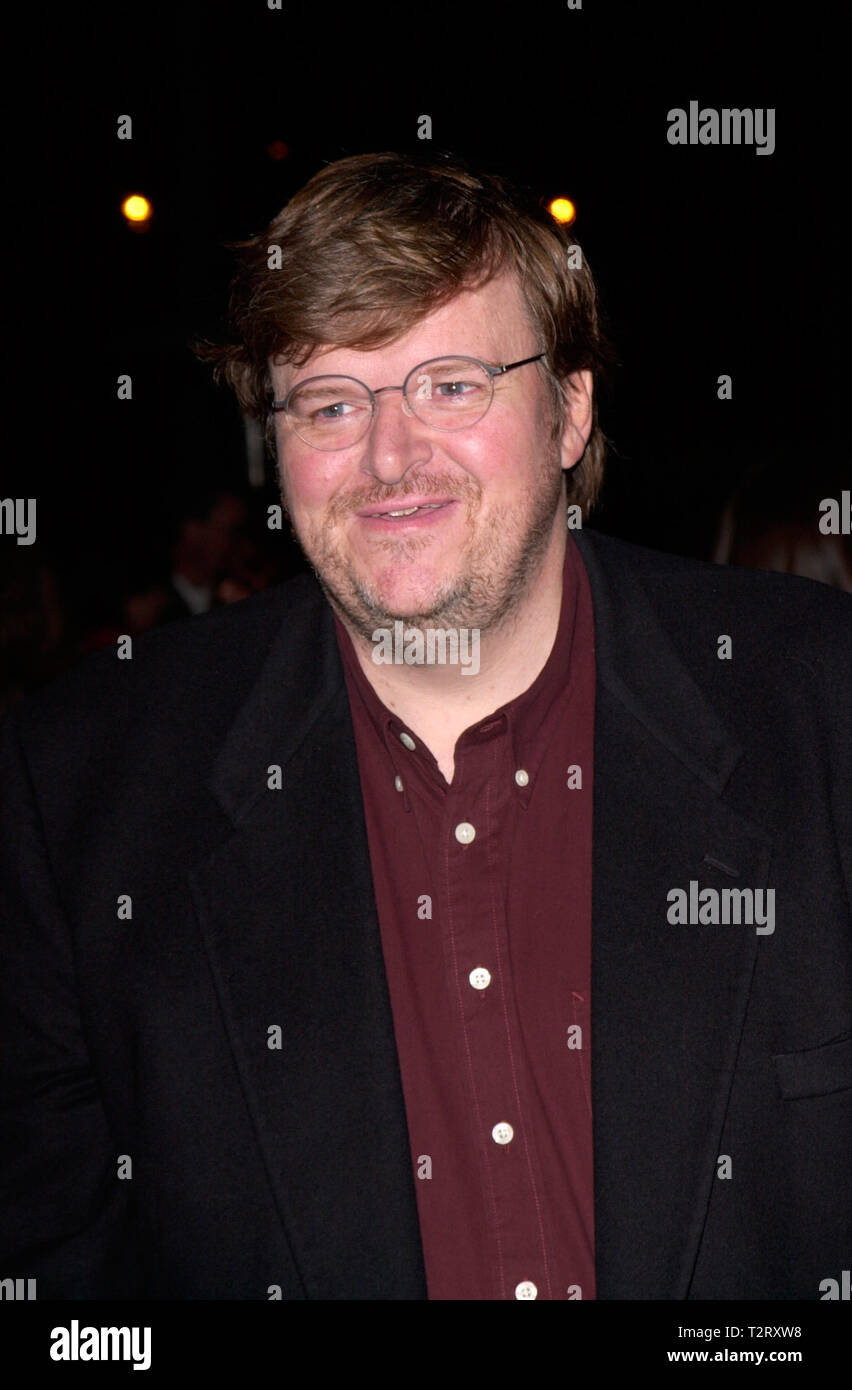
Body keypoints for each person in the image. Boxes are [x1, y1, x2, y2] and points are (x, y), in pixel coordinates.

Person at [1, 151, 849, 1301]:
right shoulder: (81, 790)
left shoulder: (820, 706)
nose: (391, 458)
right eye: (333, 404)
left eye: (452, 384)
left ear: (570, 410)